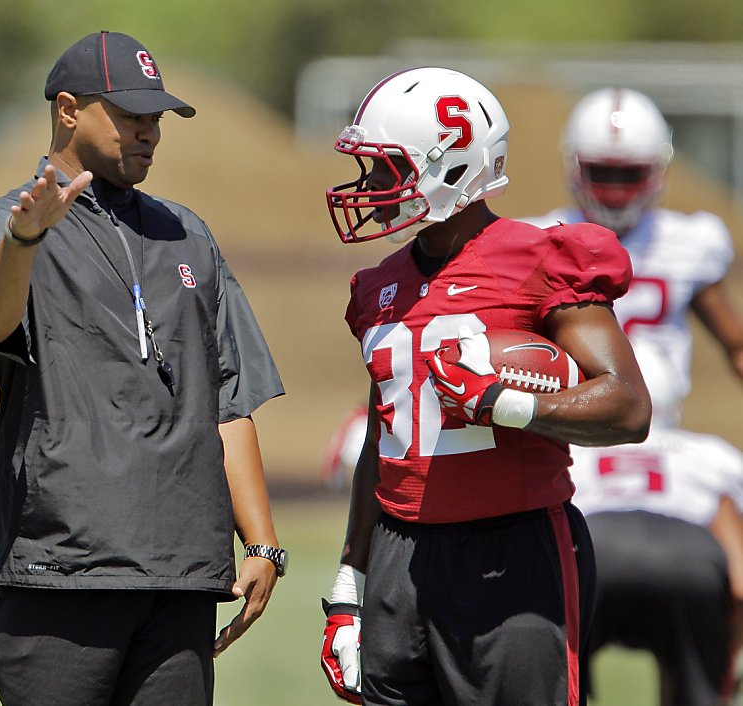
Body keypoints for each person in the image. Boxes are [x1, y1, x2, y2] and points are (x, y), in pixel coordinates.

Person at [0, 30, 287, 706]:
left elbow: (228, 398)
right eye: (131, 114)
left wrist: (262, 543)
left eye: (157, 117)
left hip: (181, 574)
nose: (150, 132)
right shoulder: (0, 226)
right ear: (69, 109)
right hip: (60, 569)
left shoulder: (188, 234)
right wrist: (25, 239)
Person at [318, 67, 651, 706]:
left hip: (513, 549)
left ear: (450, 166)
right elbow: (380, 442)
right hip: (397, 554)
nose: (370, 188)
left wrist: (503, 402)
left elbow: (628, 406)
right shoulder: (378, 285)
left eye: (386, 169)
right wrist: (349, 584)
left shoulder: (540, 258)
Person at [527, 87, 743, 414]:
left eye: (629, 174)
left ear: (658, 168)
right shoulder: (538, 241)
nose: (615, 190)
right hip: (571, 419)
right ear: (574, 167)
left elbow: (737, 346)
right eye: (602, 172)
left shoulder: (691, 242)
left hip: (659, 423)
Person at [569, 340, 743, 706]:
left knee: (561, 689)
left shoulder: (573, 450)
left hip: (597, 549)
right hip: (689, 555)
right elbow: (740, 578)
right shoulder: (709, 454)